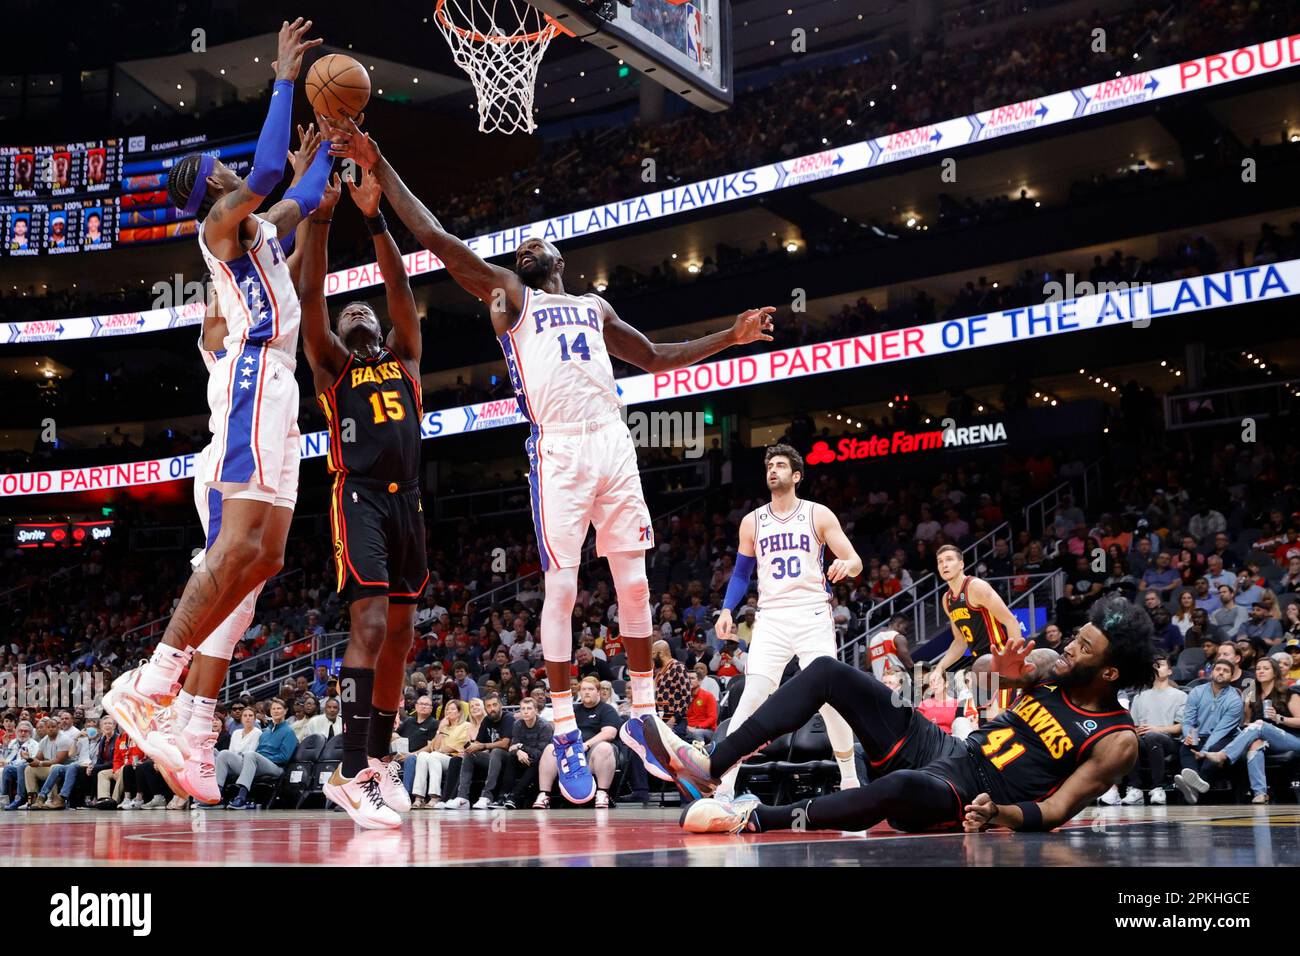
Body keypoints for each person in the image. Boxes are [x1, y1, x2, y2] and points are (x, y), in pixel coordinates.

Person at [329, 114, 776, 805]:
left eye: (539, 242)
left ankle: (644, 719)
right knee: (563, 589)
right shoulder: (513, 298)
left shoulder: (594, 307)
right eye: (521, 245)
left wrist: (732, 335)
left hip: (614, 441)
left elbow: (655, 357)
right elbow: (439, 242)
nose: (528, 245)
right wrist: (382, 166)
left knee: (635, 585)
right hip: (559, 449)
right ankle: (565, 725)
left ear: (562, 258)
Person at [102, 19, 330, 789]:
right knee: (236, 549)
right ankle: (154, 680)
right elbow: (269, 166)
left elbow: (295, 194)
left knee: (263, 556)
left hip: (279, 389)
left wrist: (331, 140)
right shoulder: (219, 226)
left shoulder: (258, 226)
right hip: (253, 384)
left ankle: (194, 726)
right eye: (223, 167)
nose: (238, 168)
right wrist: (286, 79)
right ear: (214, 187)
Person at [650, 596, 1152, 837]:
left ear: (1108, 673)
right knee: (829, 672)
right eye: (1075, 636)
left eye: (1083, 647)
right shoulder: (1046, 668)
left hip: (971, 796)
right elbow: (979, 678)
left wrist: (998, 815)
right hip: (949, 750)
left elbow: (1059, 810)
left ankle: (752, 819)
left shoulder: (1116, 741)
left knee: (902, 786)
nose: (1068, 647)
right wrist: (996, 670)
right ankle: (711, 763)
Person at [300, 167, 428, 829]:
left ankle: (376, 761)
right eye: (346, 311)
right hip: (360, 498)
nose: (353, 311)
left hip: (410, 504)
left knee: (400, 639)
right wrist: (322, 216)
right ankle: (349, 771)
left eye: (363, 308)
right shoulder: (331, 365)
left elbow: (401, 287)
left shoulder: (405, 356)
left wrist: (377, 218)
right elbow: (311, 294)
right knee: (371, 627)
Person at [711, 445, 864, 800]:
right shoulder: (753, 521)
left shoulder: (818, 514)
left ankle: (851, 782)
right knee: (750, 698)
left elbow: (854, 559)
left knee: (829, 699)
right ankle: (725, 787)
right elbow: (740, 574)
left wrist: (847, 566)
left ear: (796, 476)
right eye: (770, 465)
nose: (773, 470)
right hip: (772, 618)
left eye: (781, 465)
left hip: (811, 613)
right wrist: (727, 610)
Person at [934, 543, 1024, 714]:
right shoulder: (947, 600)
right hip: (978, 663)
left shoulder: (975, 587)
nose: (944, 564)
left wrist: (1013, 659)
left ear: (961, 564)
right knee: (984, 721)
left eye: (949, 559)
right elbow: (960, 642)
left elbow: (1010, 621)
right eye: (940, 561)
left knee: (1002, 718)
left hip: (999, 656)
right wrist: (940, 668)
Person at [1201, 657, 1300, 803]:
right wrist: (1245, 705)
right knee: (1255, 743)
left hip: (1292, 739)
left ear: (1275, 672)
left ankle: (1223, 755)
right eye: (1258, 668)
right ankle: (1260, 793)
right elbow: (1246, 721)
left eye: (1266, 668)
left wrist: (1279, 718)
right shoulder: (1252, 692)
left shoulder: (1289, 693)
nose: (1260, 671)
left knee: (1259, 724)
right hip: (1265, 738)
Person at [1100, 657, 1184, 806]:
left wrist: (1156, 729)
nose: (1156, 668)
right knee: (1130, 738)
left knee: (1152, 736)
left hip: (1169, 740)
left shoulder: (1180, 696)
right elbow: (1133, 726)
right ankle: (1135, 788)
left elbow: (1179, 728)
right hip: (1145, 739)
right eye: (1153, 666)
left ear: (1170, 671)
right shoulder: (1140, 697)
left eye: (1160, 665)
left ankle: (1158, 787)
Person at [535, 677, 620, 809]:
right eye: (584, 689)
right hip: (572, 754)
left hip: (594, 753)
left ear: (598, 692)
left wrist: (586, 744)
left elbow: (609, 733)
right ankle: (544, 794)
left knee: (604, 747)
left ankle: (602, 793)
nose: (586, 692)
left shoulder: (607, 709)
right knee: (550, 748)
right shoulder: (573, 711)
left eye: (590, 689)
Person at [1172, 660, 1243, 804]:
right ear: (1212, 671)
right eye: (1218, 669)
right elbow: (1188, 720)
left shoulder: (1235, 699)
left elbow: (1220, 731)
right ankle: (1194, 786)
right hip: (1199, 734)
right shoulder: (1197, 692)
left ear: (1232, 676)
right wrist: (1188, 736)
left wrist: (1204, 751)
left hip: (1224, 737)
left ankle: (1193, 787)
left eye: (1226, 670)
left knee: (1212, 753)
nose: (1221, 672)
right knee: (1185, 748)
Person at [215, 698, 298, 809]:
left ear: (286, 711)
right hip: (257, 763)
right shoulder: (266, 732)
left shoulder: (289, 731)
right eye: (273, 709)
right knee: (224, 754)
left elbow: (284, 757)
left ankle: (241, 797)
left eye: (279, 708)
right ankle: (216, 795)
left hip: (276, 767)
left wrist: (263, 757)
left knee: (250, 754)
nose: (276, 711)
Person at [444, 691, 515, 809]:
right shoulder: (486, 720)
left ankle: (487, 796)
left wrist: (482, 746)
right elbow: (477, 743)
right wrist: (471, 748)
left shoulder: (508, 718)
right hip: (491, 758)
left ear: (500, 706)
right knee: (470, 754)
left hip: (507, 758)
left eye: (494, 705)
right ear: (486, 708)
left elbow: (505, 743)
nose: (492, 709)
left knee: (497, 751)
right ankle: (463, 798)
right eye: (489, 706)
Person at [411, 699, 471, 808]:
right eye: (447, 709)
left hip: (454, 759)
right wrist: (440, 728)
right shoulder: (444, 726)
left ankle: (435, 796)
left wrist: (441, 750)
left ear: (459, 712)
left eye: (452, 709)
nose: (448, 712)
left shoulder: (466, 726)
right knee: (423, 755)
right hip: (438, 758)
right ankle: (418, 797)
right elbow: (434, 747)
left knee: (434, 755)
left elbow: (459, 746)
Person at [501, 696, 552, 809]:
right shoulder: (518, 724)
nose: (525, 712)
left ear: (536, 711)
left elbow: (540, 753)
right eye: (523, 709)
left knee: (535, 761)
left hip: (541, 762)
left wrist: (521, 747)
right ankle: (502, 796)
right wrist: (519, 751)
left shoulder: (545, 726)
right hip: (522, 758)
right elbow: (512, 748)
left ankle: (514, 796)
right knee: (511, 758)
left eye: (529, 708)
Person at [2, 721, 40, 810]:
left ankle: (19, 798)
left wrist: (27, 758)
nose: (23, 733)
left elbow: (32, 762)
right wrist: (5, 746)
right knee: (7, 769)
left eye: (26, 731)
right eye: (20, 731)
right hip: (12, 767)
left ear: (30, 733)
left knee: (19, 767)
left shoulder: (35, 745)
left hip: (26, 768)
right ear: (17, 732)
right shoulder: (12, 742)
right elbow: (4, 758)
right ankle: (4, 799)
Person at [867, 615, 915, 680]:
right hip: (901, 685)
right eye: (905, 628)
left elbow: (868, 667)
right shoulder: (898, 637)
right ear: (899, 624)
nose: (905, 632)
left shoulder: (872, 641)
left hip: (882, 687)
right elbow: (909, 664)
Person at [685, 670, 718, 744]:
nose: (689, 681)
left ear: (700, 681)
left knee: (697, 732)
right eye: (687, 678)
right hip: (688, 728)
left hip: (707, 730)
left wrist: (697, 727)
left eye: (692, 678)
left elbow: (712, 718)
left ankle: (701, 753)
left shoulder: (708, 696)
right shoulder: (684, 697)